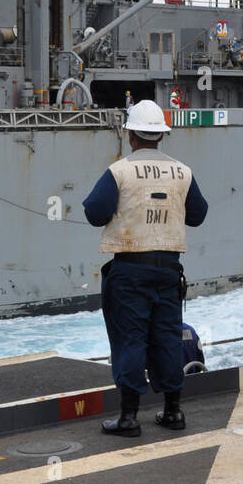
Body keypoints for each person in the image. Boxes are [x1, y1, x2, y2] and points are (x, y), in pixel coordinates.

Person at [84, 99, 208, 436]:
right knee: (167, 338)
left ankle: (128, 419)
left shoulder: (119, 171)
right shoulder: (182, 172)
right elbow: (198, 214)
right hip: (168, 270)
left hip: (130, 270)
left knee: (130, 341)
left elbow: (94, 212)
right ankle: (173, 412)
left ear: (131, 135)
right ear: (161, 136)